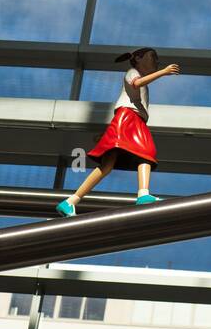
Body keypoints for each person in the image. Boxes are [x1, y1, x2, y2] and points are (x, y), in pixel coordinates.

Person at [56, 48, 180, 215]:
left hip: (130, 119)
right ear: (138, 58)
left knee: (107, 166)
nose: (156, 61)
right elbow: (137, 84)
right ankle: (143, 194)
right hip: (130, 118)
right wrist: (163, 72)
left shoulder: (137, 75)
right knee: (146, 152)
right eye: (153, 57)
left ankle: (71, 201)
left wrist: (109, 132)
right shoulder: (132, 72)